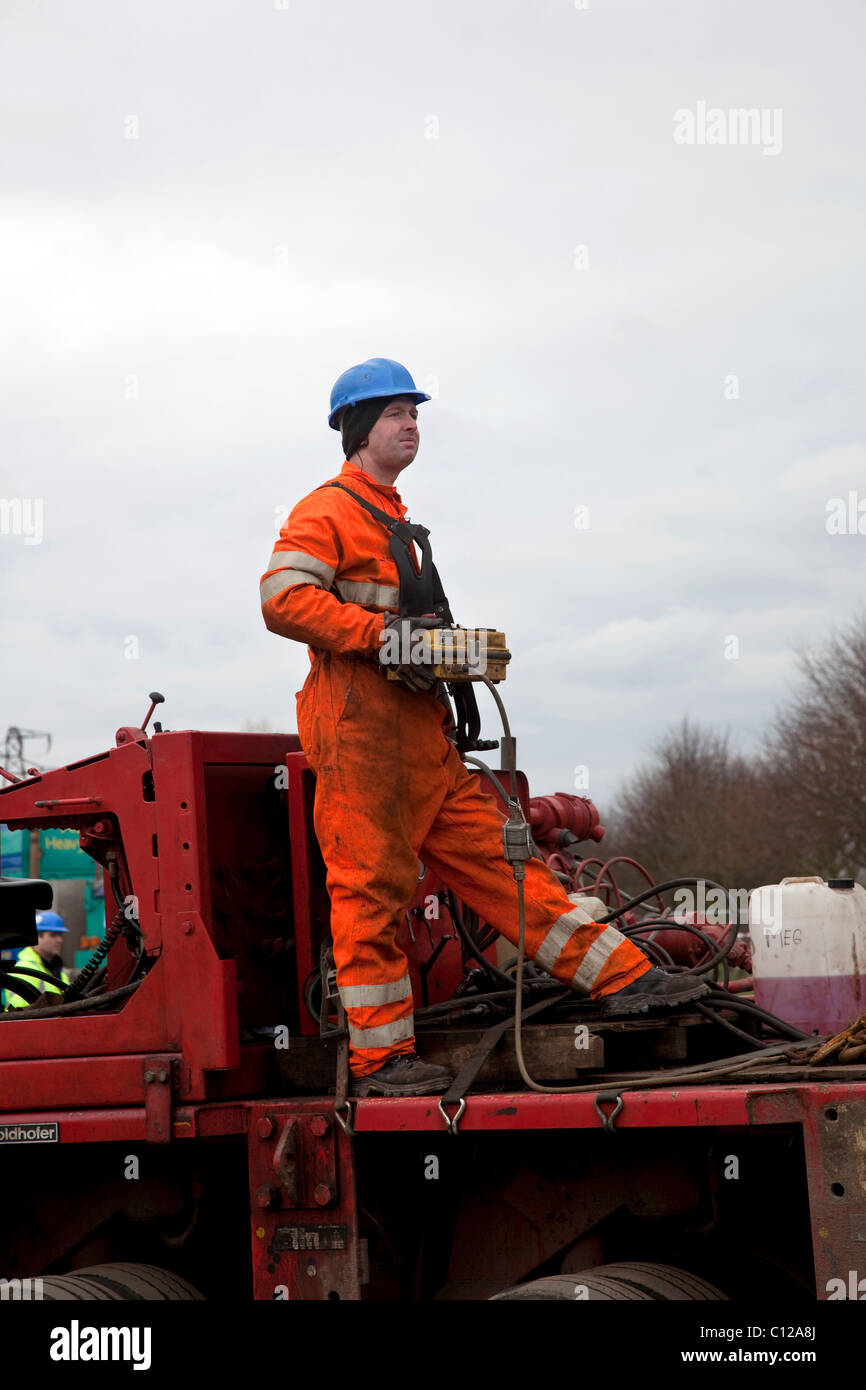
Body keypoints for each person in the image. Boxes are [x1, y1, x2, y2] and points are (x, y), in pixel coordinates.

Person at [260, 356, 708, 1096]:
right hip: (361, 742)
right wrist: (384, 637)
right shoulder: (327, 511)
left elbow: (404, 624)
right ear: (359, 428)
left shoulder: (396, 520)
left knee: (513, 870)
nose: (412, 425)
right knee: (370, 893)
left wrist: (447, 655)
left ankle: (626, 979)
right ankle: (381, 1062)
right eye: (397, 414)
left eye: (415, 414)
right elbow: (282, 601)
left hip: (422, 743)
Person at [3, 910, 71, 1010]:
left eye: (60, 935)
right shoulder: (24, 970)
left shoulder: (59, 972)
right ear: (37, 937)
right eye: (53, 935)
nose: (59, 940)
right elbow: (19, 1013)